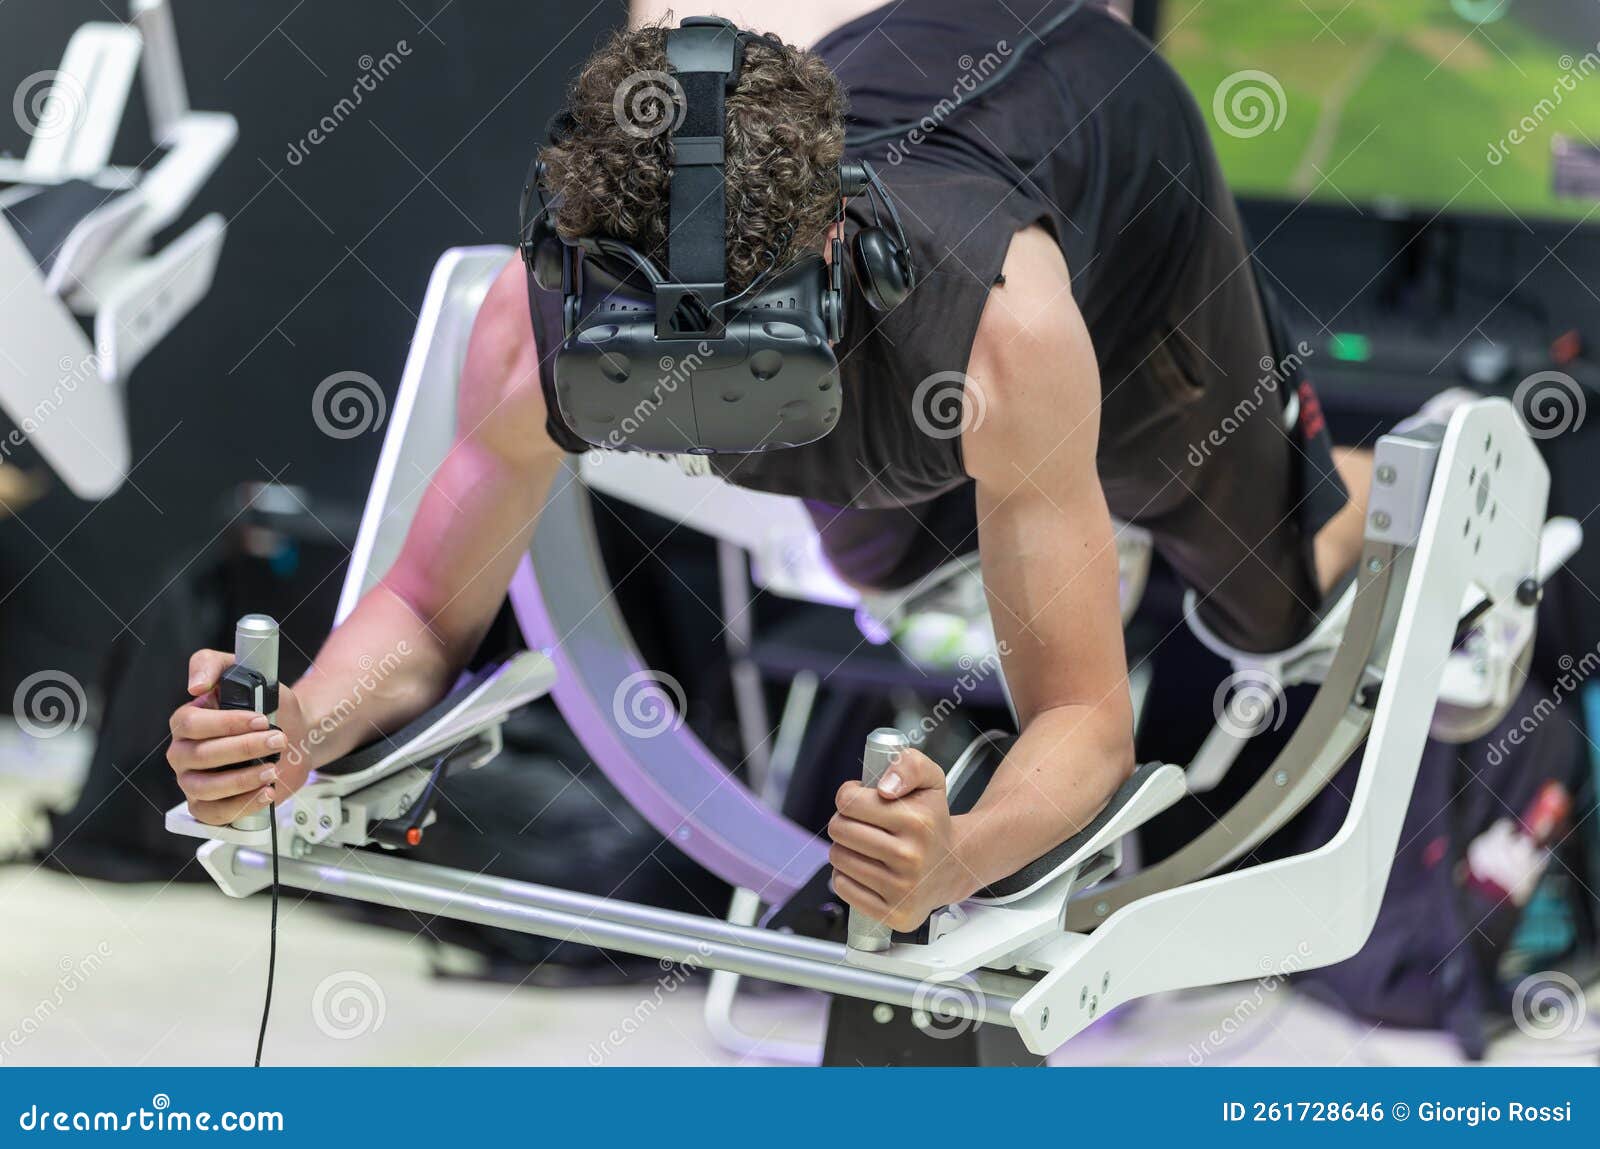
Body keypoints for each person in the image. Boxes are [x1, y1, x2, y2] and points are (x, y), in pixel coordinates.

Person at [168, 2, 1375, 936]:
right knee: (879, 563)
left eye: (731, 350)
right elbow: (431, 605)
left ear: (833, 239)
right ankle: (1040, 522)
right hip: (911, 266)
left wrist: (959, 850)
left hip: (1115, 167)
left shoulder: (1003, 326)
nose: (688, 390)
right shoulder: (534, 321)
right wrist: (295, 728)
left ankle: (1355, 491)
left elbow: (1080, 722)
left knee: (1268, 606)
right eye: (651, 347)